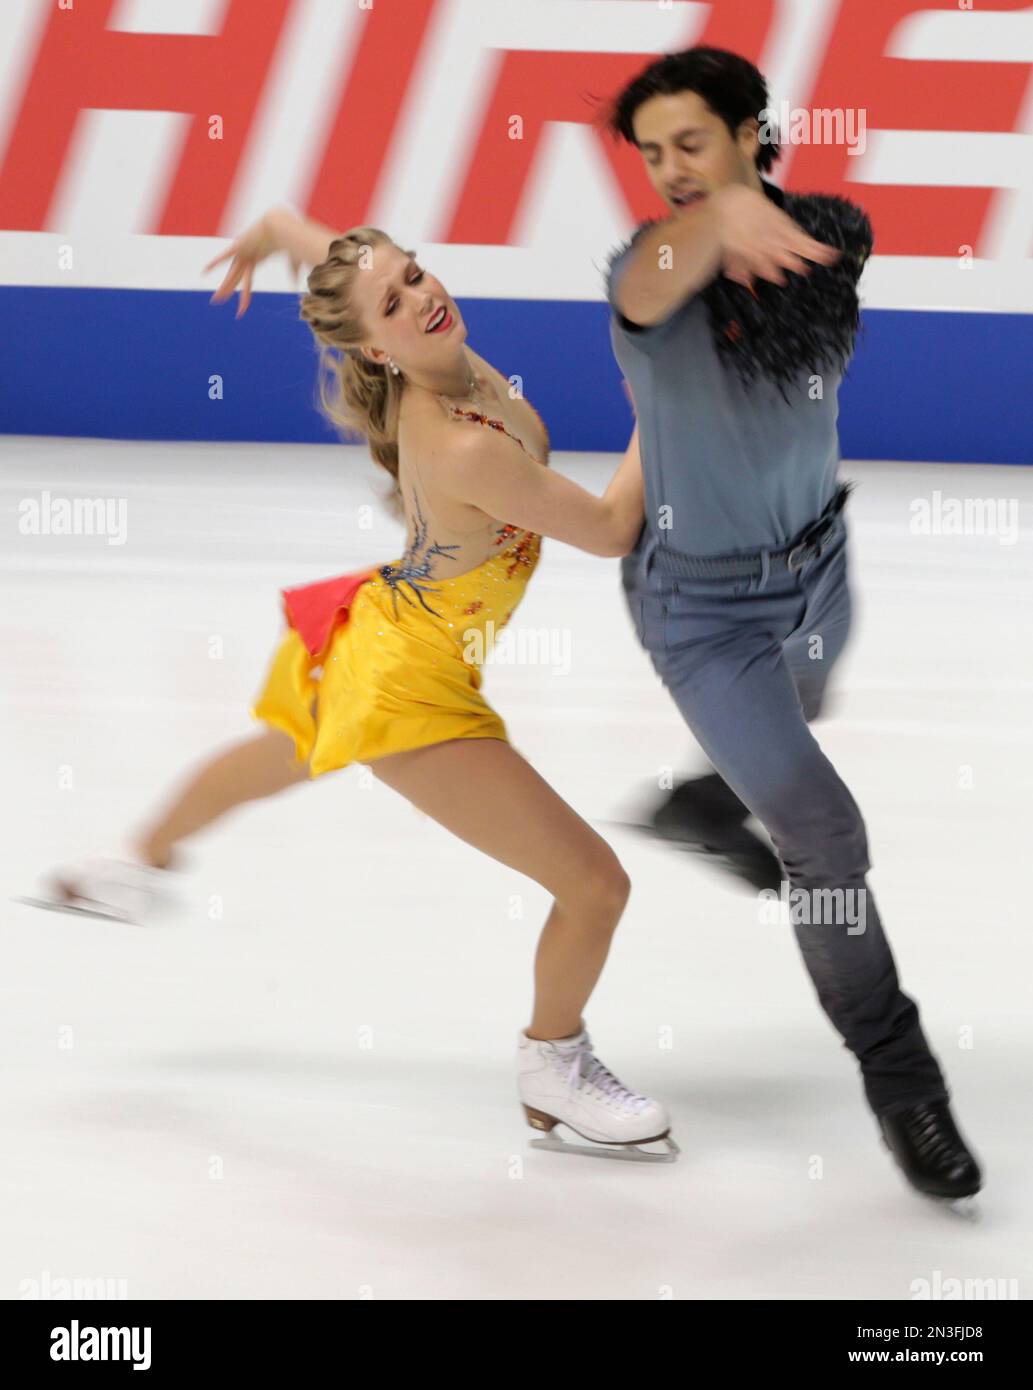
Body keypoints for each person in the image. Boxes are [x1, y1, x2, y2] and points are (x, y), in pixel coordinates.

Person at [37, 207, 677, 1163]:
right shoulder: (455, 440)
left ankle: (135, 863)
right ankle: (552, 1064)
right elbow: (612, 529)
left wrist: (271, 234)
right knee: (593, 883)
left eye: (417, 274)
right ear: (373, 350)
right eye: (396, 299)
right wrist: (667, 393)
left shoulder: (439, 361)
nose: (422, 295)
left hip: (376, 625)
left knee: (280, 752)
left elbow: (324, 255)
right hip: (410, 692)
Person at [602, 46, 980, 1200]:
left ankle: (704, 801)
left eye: (693, 144)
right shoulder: (646, 272)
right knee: (822, 834)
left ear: (750, 130)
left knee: (810, 702)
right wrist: (720, 207)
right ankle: (901, 1077)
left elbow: (820, 232)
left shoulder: (828, 238)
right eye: (652, 153)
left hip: (821, 572)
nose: (669, 170)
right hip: (700, 611)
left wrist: (749, 206)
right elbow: (653, 276)